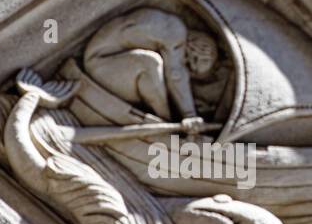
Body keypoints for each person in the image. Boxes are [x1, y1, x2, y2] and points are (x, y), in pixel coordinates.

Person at [82, 8, 219, 134]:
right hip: (100, 63)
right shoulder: (175, 31)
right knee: (150, 62)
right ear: (193, 51)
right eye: (188, 65)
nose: (186, 71)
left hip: (115, 67)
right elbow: (176, 74)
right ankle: (167, 123)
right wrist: (190, 115)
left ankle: (168, 122)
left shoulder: (169, 37)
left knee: (152, 64)